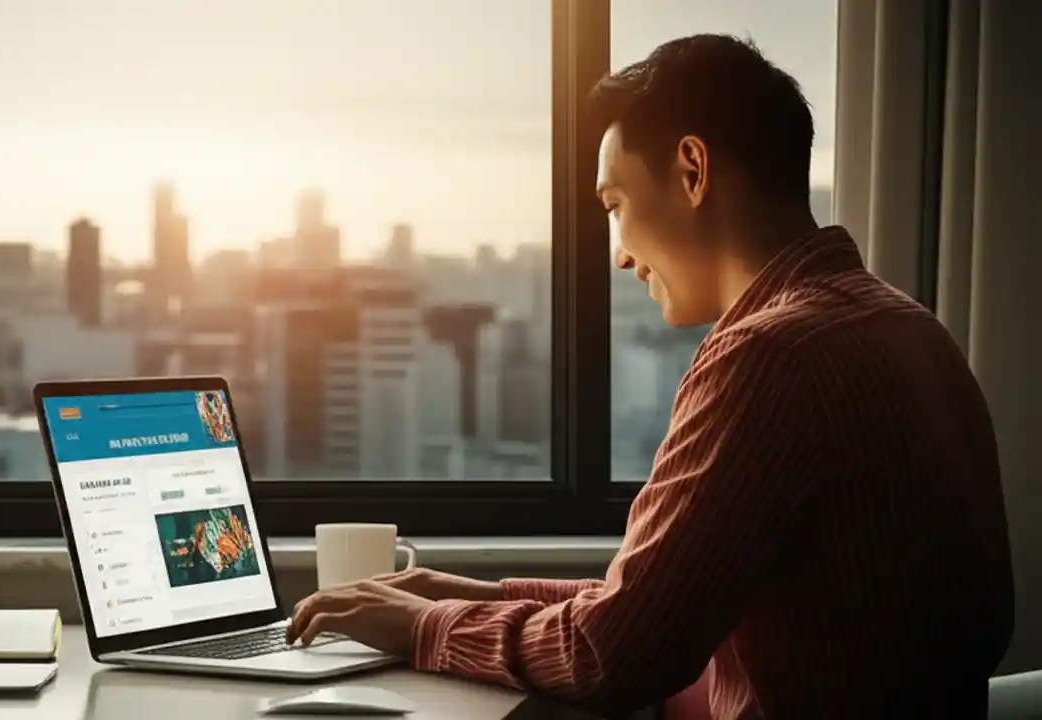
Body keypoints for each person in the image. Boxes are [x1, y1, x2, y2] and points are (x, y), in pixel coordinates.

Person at [285, 34, 1013, 718]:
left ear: (692, 171)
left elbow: (615, 653)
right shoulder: (910, 328)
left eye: (615, 205)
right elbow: (665, 602)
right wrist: (473, 593)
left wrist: (425, 628)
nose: (618, 255)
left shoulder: (767, 358)